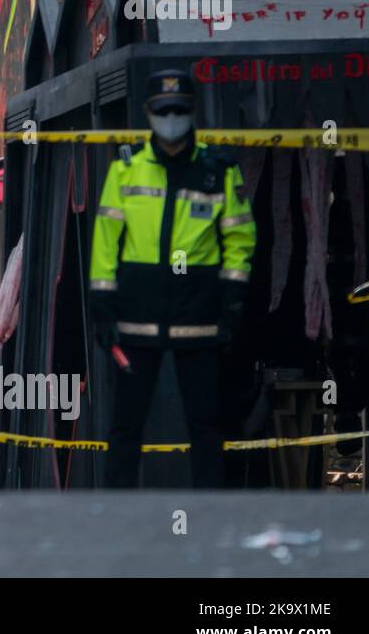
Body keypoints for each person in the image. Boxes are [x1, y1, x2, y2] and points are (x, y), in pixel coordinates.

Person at [89, 69, 256, 489]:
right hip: (134, 319)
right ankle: (116, 509)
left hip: (198, 317)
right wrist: (101, 307)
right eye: (164, 111)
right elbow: (106, 241)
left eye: (180, 110)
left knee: (206, 424)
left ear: (192, 111)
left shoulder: (218, 171)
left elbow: (240, 237)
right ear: (149, 113)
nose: (172, 118)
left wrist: (233, 299)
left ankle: (209, 510)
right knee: (126, 426)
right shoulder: (126, 170)